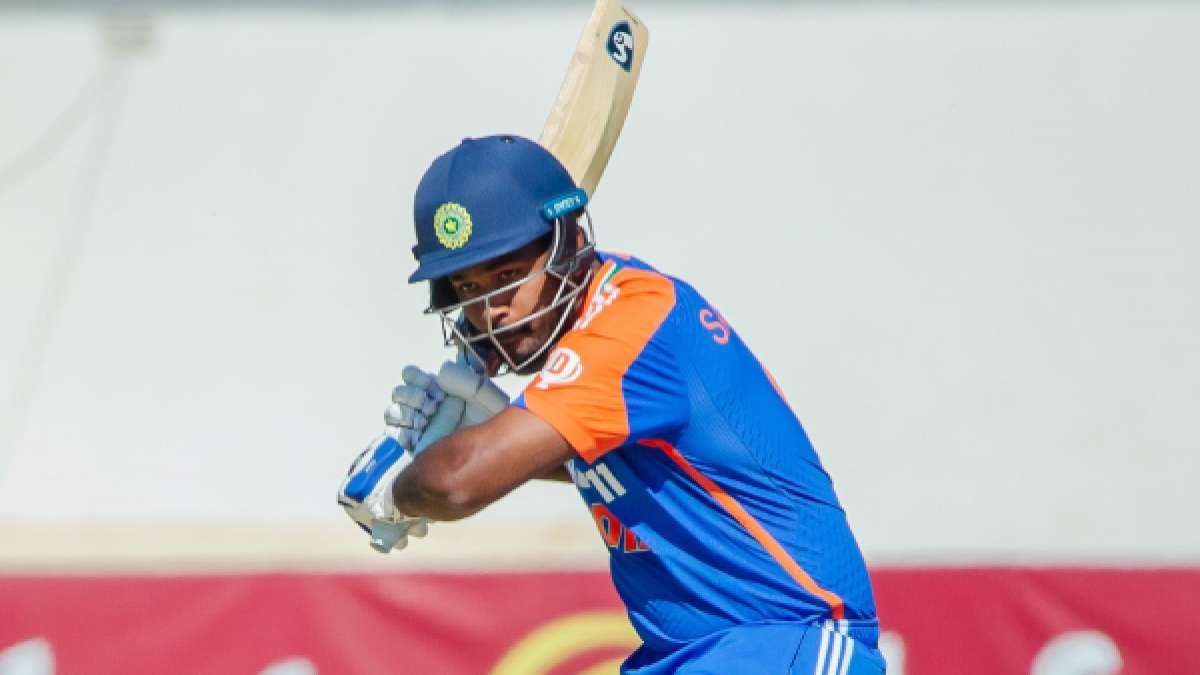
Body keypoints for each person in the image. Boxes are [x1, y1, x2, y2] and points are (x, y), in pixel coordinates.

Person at [338, 134, 887, 674]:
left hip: (787, 641)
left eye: (507, 276)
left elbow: (457, 481)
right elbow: (632, 471)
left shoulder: (628, 326)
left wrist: (401, 486)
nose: (493, 312)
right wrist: (499, 431)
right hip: (688, 654)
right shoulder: (596, 341)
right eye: (468, 288)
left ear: (568, 243)